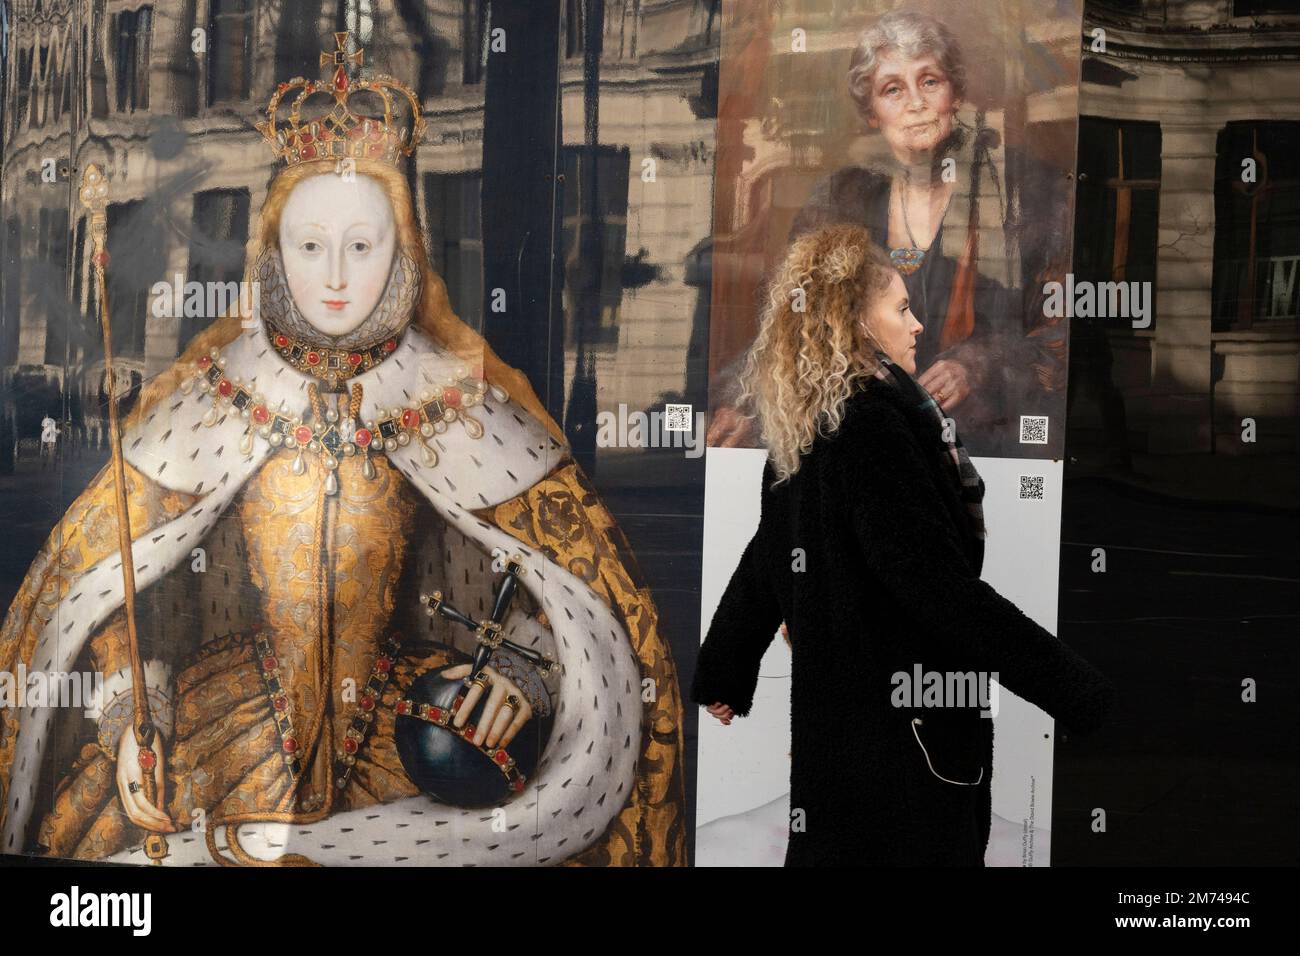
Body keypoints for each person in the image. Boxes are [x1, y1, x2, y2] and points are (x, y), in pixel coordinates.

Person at [0, 34, 686, 867]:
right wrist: (131, 716)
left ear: (400, 253)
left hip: (407, 739)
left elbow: (570, 594)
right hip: (226, 735)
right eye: (309, 245)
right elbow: (116, 591)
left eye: (362, 247)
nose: (334, 276)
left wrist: (525, 678)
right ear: (276, 254)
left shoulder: (460, 407)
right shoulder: (209, 402)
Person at [691, 224, 1114, 866]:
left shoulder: (810, 425)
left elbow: (768, 556)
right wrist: (1072, 687)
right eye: (901, 309)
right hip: (906, 747)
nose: (918, 326)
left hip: (843, 741)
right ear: (855, 324)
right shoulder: (876, 426)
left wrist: (726, 663)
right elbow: (936, 589)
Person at [710, 9, 1070, 457]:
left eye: (930, 81)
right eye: (893, 89)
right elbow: (793, 324)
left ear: (954, 93)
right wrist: (743, 405)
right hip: (861, 441)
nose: (915, 103)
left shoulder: (1023, 192)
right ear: (872, 113)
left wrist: (981, 365)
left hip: (986, 447)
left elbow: (1062, 337)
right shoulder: (842, 198)